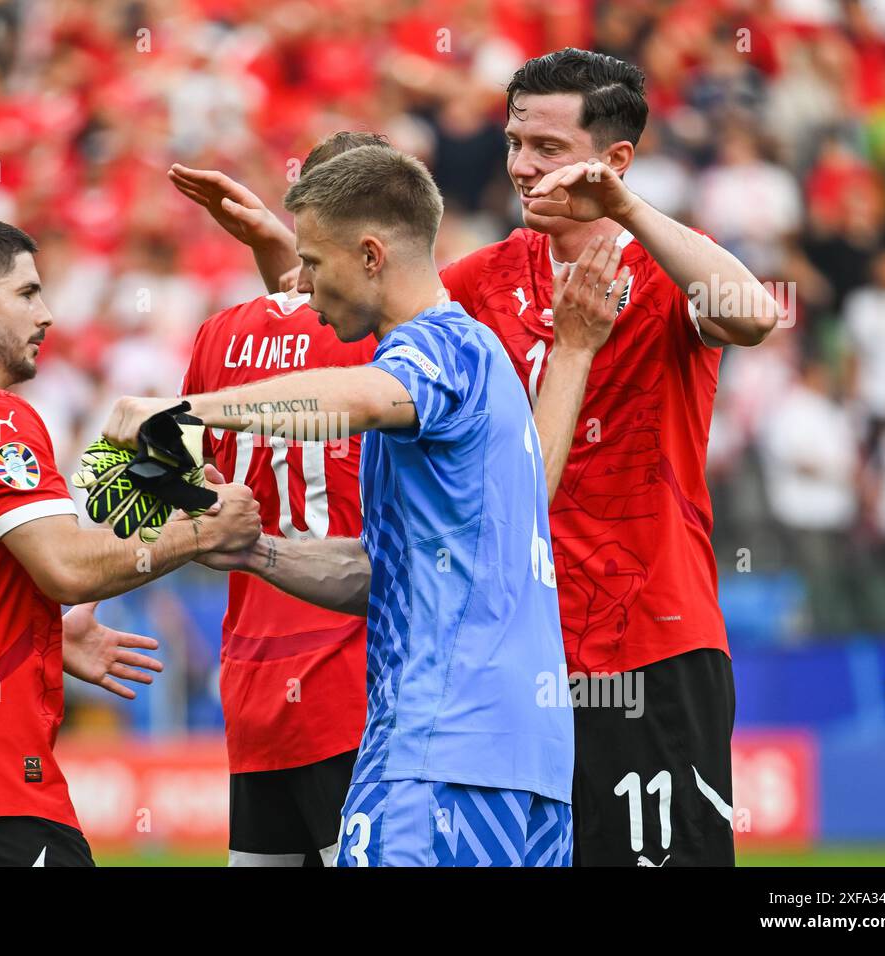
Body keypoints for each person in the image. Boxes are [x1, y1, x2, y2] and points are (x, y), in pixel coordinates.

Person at [169, 48, 784, 866]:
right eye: (513, 143)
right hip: (512, 664)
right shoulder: (483, 281)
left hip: (647, 647)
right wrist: (286, 250)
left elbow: (753, 316)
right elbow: (367, 301)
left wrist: (630, 212)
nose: (523, 167)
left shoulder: (664, 268)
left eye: (549, 149)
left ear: (615, 160)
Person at [108, 144, 623, 866]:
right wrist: (261, 552)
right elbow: (385, 574)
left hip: (432, 756)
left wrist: (187, 408)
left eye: (313, 266)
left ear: (372, 255)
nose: (304, 292)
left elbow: (358, 398)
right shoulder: (483, 364)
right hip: (522, 766)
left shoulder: (436, 351)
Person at [0, 218, 260, 867]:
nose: (46, 315)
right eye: (27, 293)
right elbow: (66, 567)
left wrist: (37, 631)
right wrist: (206, 527)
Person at [179, 131, 382, 868]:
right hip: (352, 669)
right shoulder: (386, 338)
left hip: (252, 672)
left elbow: (168, 474)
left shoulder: (217, 335)